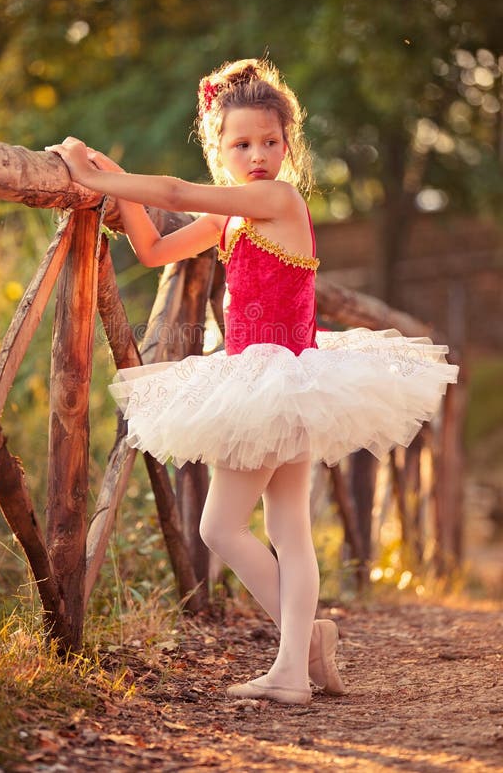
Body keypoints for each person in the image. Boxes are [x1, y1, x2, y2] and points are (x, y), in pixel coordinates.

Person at [46, 58, 458, 706]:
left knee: (219, 528)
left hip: (280, 381)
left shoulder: (278, 199)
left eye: (270, 141)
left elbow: (179, 194)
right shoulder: (232, 219)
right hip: (271, 383)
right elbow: (154, 248)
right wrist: (113, 183)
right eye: (241, 144)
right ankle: (299, 656)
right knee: (287, 526)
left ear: (288, 144)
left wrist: (88, 171)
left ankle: (299, 652)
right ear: (221, 147)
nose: (258, 154)